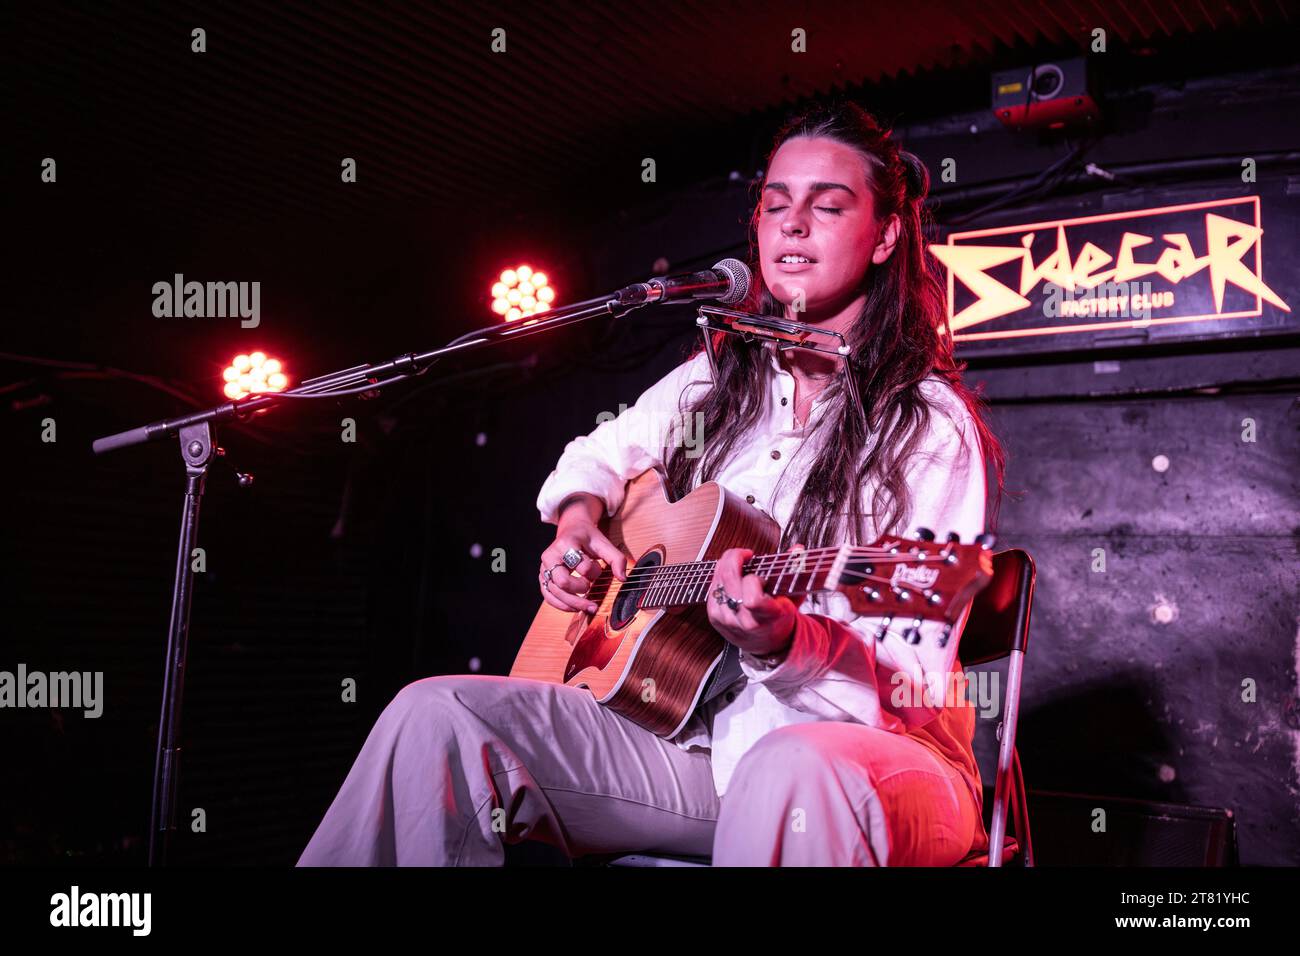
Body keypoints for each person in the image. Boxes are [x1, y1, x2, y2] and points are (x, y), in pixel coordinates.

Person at [297, 101, 1007, 867]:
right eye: (775, 205)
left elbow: (905, 689)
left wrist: (784, 643)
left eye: (827, 206)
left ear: (887, 235)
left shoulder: (926, 426)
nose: (792, 224)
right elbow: (597, 452)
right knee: (436, 714)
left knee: (789, 766)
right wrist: (576, 518)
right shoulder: (720, 376)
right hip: (699, 751)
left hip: (883, 763)